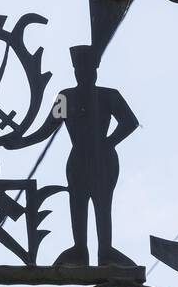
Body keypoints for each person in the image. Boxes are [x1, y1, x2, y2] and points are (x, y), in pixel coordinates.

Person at [31, 45, 139, 266]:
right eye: (80, 70)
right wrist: (19, 141)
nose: (84, 74)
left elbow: (130, 122)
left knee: (102, 203)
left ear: (95, 71)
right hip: (79, 159)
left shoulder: (109, 95)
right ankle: (79, 249)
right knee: (77, 202)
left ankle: (105, 251)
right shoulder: (66, 97)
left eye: (88, 69)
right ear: (75, 71)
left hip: (104, 161)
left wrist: (108, 143)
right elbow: (47, 129)